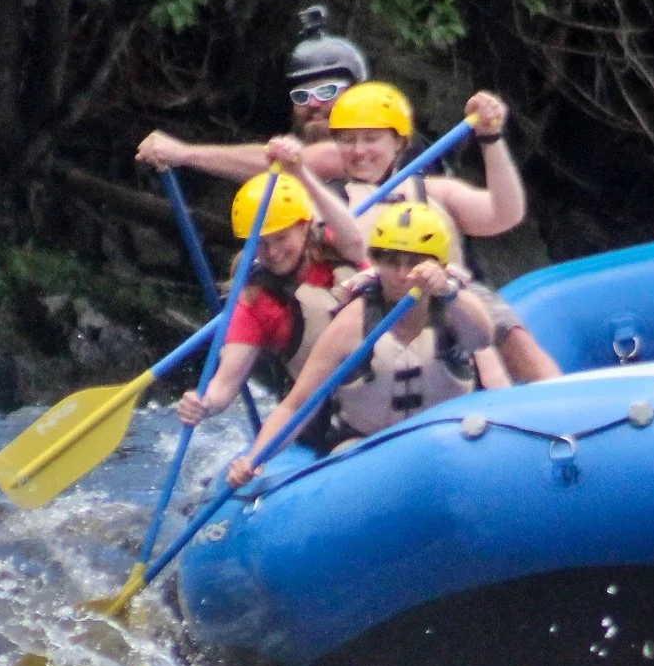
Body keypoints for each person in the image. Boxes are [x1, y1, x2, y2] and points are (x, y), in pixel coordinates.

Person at [227, 202, 494, 485]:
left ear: (438, 265)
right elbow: (297, 405)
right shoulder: (353, 320)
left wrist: (448, 292)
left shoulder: (454, 305)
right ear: (377, 262)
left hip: (446, 441)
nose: (402, 274)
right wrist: (254, 459)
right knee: (345, 455)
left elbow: (482, 337)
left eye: (414, 262)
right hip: (366, 450)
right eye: (391, 261)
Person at [320, 81, 559, 385]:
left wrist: (491, 139)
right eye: (348, 140)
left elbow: (505, 214)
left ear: (398, 143)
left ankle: (561, 409)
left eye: (371, 139)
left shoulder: (433, 191)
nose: (359, 151)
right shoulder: (327, 202)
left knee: (510, 331)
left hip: (447, 296)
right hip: (375, 307)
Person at [172, 156, 368, 426]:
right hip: (324, 407)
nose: (273, 253)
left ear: (305, 225)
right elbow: (226, 383)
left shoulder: (339, 246)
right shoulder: (254, 301)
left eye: (281, 238)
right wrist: (202, 403)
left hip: (390, 378)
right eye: (261, 244)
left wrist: (300, 170)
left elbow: (358, 244)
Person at [133, 4, 365, 183]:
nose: (312, 103)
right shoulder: (296, 165)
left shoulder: (363, 151)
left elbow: (296, 163)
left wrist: (184, 153)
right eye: (301, 96)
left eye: (326, 91)